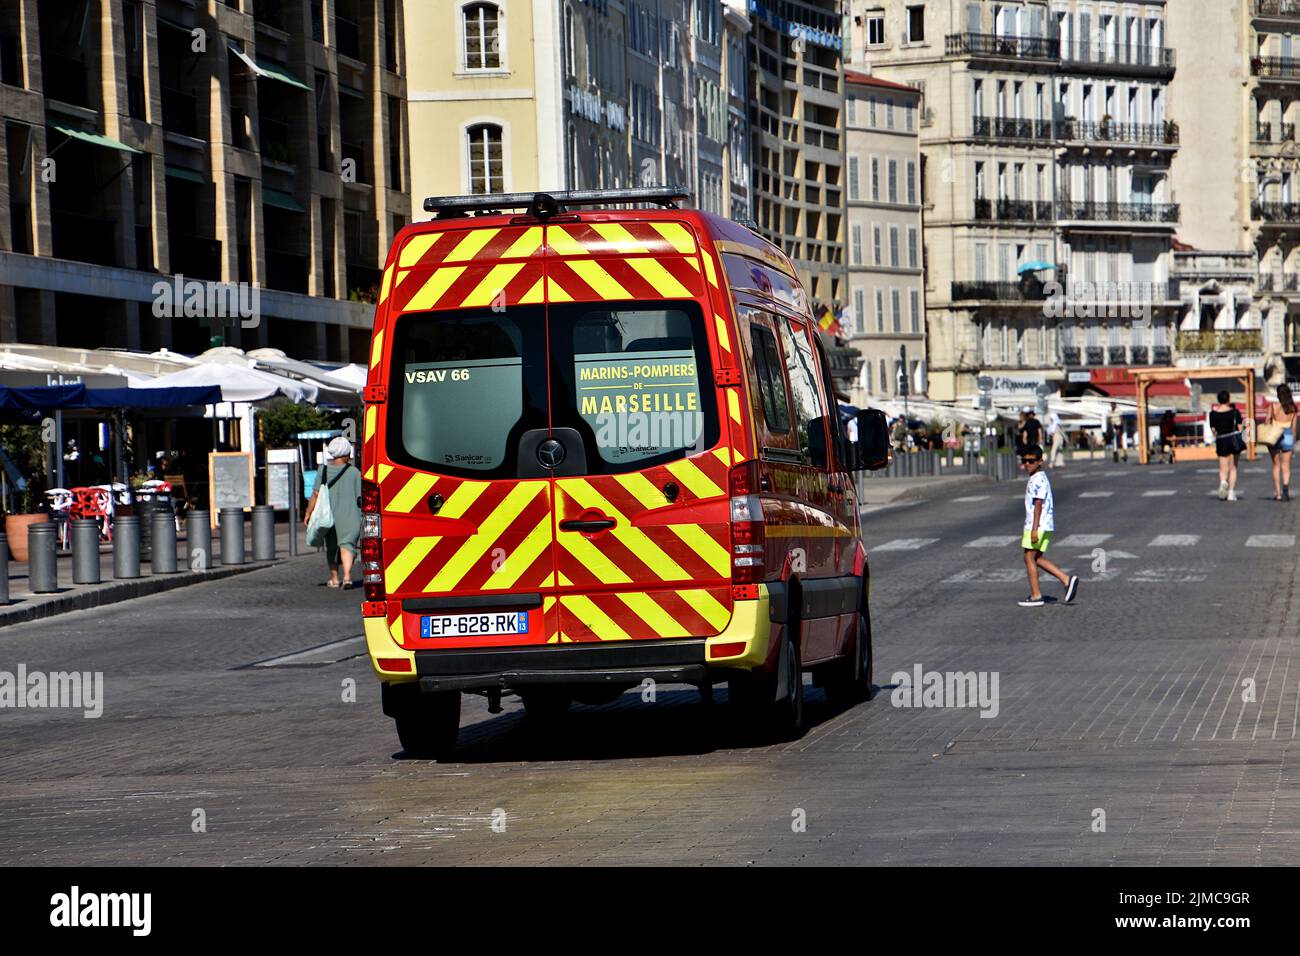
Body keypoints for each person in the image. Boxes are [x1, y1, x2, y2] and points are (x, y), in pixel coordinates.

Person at [1017, 444, 1079, 608]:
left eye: (1031, 461)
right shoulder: (1039, 478)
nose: (1027, 464)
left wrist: (1035, 529)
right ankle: (1066, 580)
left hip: (1037, 525)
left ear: (1040, 462)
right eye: (1025, 461)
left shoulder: (1038, 480)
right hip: (1045, 524)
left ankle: (1036, 596)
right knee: (1037, 558)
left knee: (1028, 557)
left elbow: (1038, 504)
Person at [304, 436, 362, 588]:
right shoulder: (355, 472)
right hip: (351, 516)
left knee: (332, 547)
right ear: (348, 453)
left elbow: (315, 494)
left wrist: (308, 513)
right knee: (347, 545)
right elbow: (360, 497)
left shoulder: (323, 471)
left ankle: (335, 579)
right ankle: (348, 577)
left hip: (329, 516)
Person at [1209, 390, 1244, 502]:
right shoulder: (1235, 412)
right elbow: (1240, 428)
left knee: (1223, 468)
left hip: (1221, 440)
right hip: (1233, 439)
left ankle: (1223, 482)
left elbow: (1213, 430)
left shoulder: (1213, 414)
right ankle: (1231, 493)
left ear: (1218, 400)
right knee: (1233, 467)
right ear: (1228, 399)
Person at [1265, 383, 1297, 501]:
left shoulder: (1273, 406)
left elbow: (1267, 421)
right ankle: (1285, 491)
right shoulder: (1293, 408)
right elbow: (1294, 428)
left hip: (1275, 434)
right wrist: (1293, 443)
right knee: (1286, 466)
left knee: (1276, 465)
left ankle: (1277, 493)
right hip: (1288, 435)